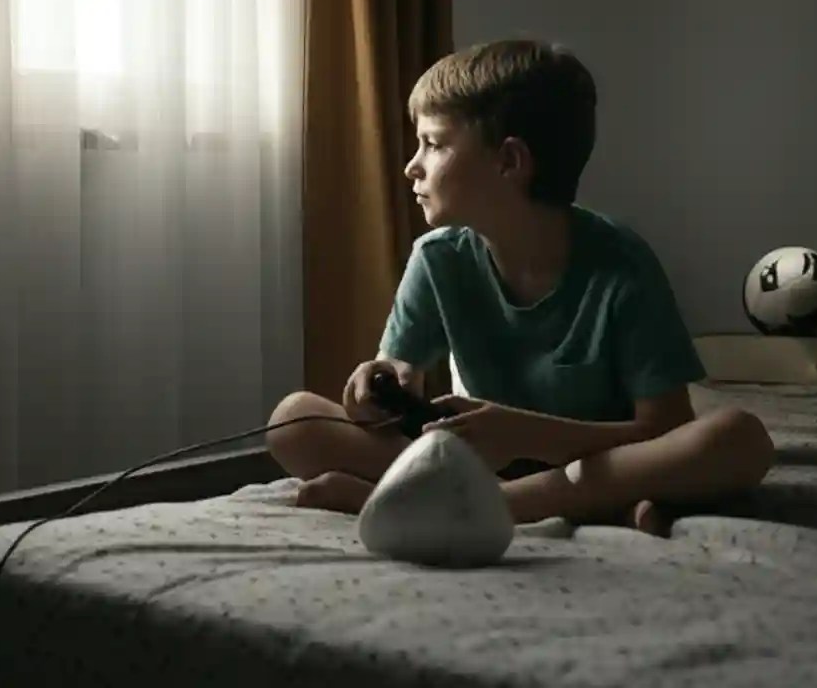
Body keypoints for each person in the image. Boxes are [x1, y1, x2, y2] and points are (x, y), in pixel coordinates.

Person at [265, 38, 774, 536]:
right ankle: (579, 507)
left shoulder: (622, 266)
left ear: (509, 162)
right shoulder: (438, 258)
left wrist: (524, 435)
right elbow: (399, 377)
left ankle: (487, 505)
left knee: (738, 437)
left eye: (433, 144)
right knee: (294, 420)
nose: (411, 166)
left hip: (596, 463)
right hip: (486, 464)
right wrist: (377, 389)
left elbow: (664, 431)